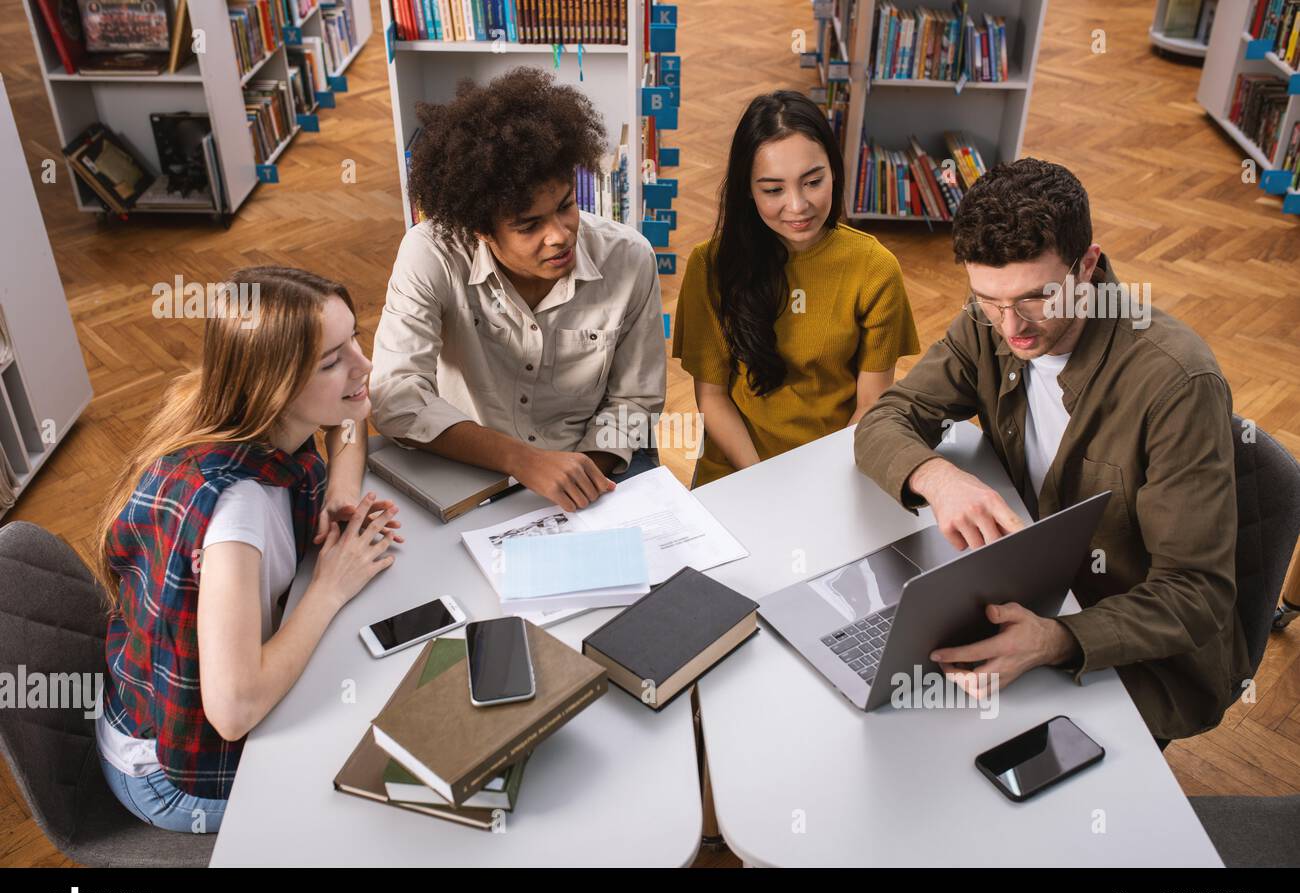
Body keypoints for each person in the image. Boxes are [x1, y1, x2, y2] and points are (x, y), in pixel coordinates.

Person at [854, 158, 1251, 745]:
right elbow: (883, 420)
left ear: (1087, 265)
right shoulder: (989, 321)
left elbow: (1196, 593)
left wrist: (1056, 639)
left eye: (1037, 297)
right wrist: (938, 477)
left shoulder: (1177, 384)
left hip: (1129, 650)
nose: (1011, 327)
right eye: (988, 298)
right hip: (1028, 591)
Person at [94, 266, 403, 831]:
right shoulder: (237, 511)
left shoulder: (238, 411)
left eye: (355, 338)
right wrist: (331, 585)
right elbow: (234, 712)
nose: (364, 366)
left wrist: (339, 489)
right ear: (274, 387)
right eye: (332, 361)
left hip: (145, 700)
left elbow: (350, 419)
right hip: (170, 776)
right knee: (378, 794)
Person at [370, 67, 666, 513]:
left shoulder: (630, 258)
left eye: (566, 205)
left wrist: (576, 477)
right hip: (469, 464)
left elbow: (636, 402)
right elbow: (395, 395)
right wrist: (523, 462)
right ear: (480, 230)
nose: (561, 235)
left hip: (596, 464)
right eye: (529, 225)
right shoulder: (430, 254)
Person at [671, 90, 918, 486]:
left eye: (813, 182)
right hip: (737, 472)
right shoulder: (712, 265)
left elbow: (870, 402)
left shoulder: (874, 267)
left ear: (834, 171)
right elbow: (712, 399)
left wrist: (821, 480)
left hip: (838, 467)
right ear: (747, 192)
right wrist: (764, 482)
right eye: (773, 190)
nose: (798, 206)